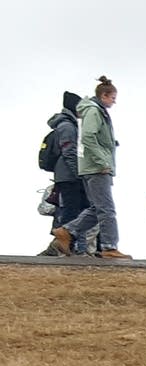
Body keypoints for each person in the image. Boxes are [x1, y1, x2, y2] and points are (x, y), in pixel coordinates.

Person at [52, 77, 124, 258]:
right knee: (107, 209)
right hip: (96, 168)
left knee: (97, 208)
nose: (114, 102)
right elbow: (88, 138)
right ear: (104, 95)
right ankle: (109, 247)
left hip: (94, 167)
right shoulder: (94, 112)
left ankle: (66, 232)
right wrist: (103, 162)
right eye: (113, 98)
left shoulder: (95, 112)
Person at [40, 91, 83, 254]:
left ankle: (62, 245)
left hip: (63, 174)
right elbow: (69, 152)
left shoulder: (65, 124)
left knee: (72, 208)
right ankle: (62, 245)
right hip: (68, 176)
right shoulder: (67, 126)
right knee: (72, 209)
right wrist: (78, 173)